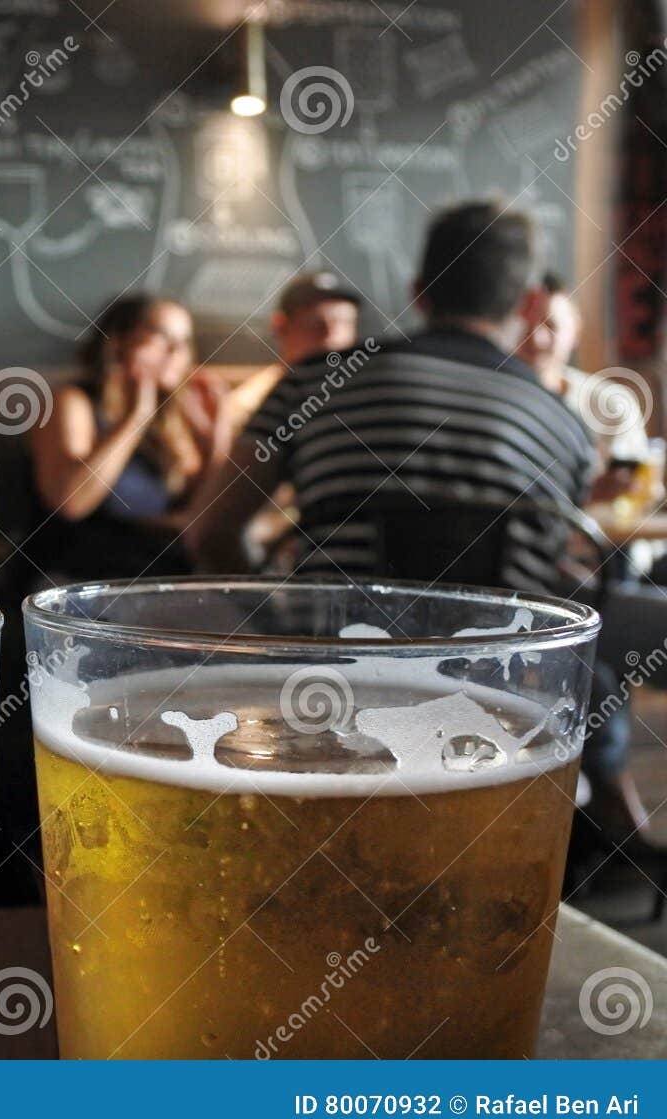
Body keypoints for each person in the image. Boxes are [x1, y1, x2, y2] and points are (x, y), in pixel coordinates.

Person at [187, 201, 658, 850]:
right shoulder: (563, 428)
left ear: (417, 294)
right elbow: (542, 586)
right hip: (489, 723)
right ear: (526, 304)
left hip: (321, 701)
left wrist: (282, 614)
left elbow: (209, 531)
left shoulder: (315, 383)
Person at [29, 294, 228, 577]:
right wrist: (136, 417)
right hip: (74, 579)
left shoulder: (169, 416)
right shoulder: (72, 400)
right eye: (161, 337)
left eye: (184, 342)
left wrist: (215, 438)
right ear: (118, 343)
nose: (176, 351)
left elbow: (204, 513)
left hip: (148, 575)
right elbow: (70, 502)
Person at [517, 272, 649, 503]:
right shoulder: (487, 403)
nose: (537, 339)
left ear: (576, 331)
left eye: (551, 326)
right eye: (526, 326)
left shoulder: (612, 405)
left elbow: (638, 494)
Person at [228, 270, 361, 423]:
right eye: (315, 324)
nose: (331, 337)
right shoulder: (250, 407)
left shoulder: (370, 396)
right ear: (281, 327)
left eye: (343, 322)